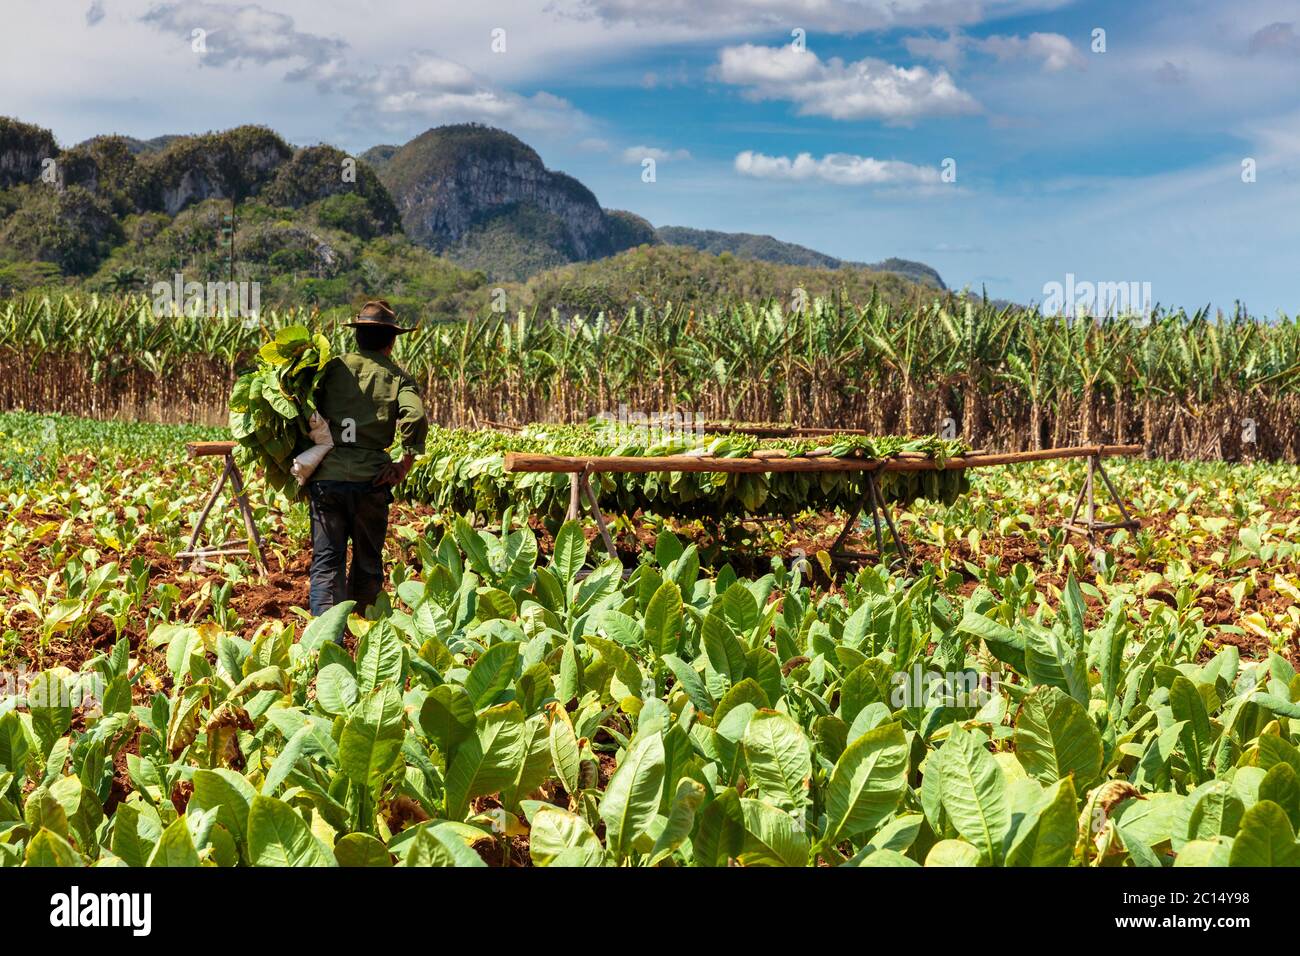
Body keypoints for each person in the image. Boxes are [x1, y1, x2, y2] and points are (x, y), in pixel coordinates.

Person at [306, 300, 427, 616]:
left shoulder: (331, 369)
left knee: (326, 561)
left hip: (327, 478)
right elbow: (415, 417)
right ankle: (364, 637)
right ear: (391, 341)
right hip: (370, 483)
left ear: (357, 337)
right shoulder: (397, 377)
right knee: (367, 562)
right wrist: (405, 463)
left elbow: (302, 408)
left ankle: (325, 642)